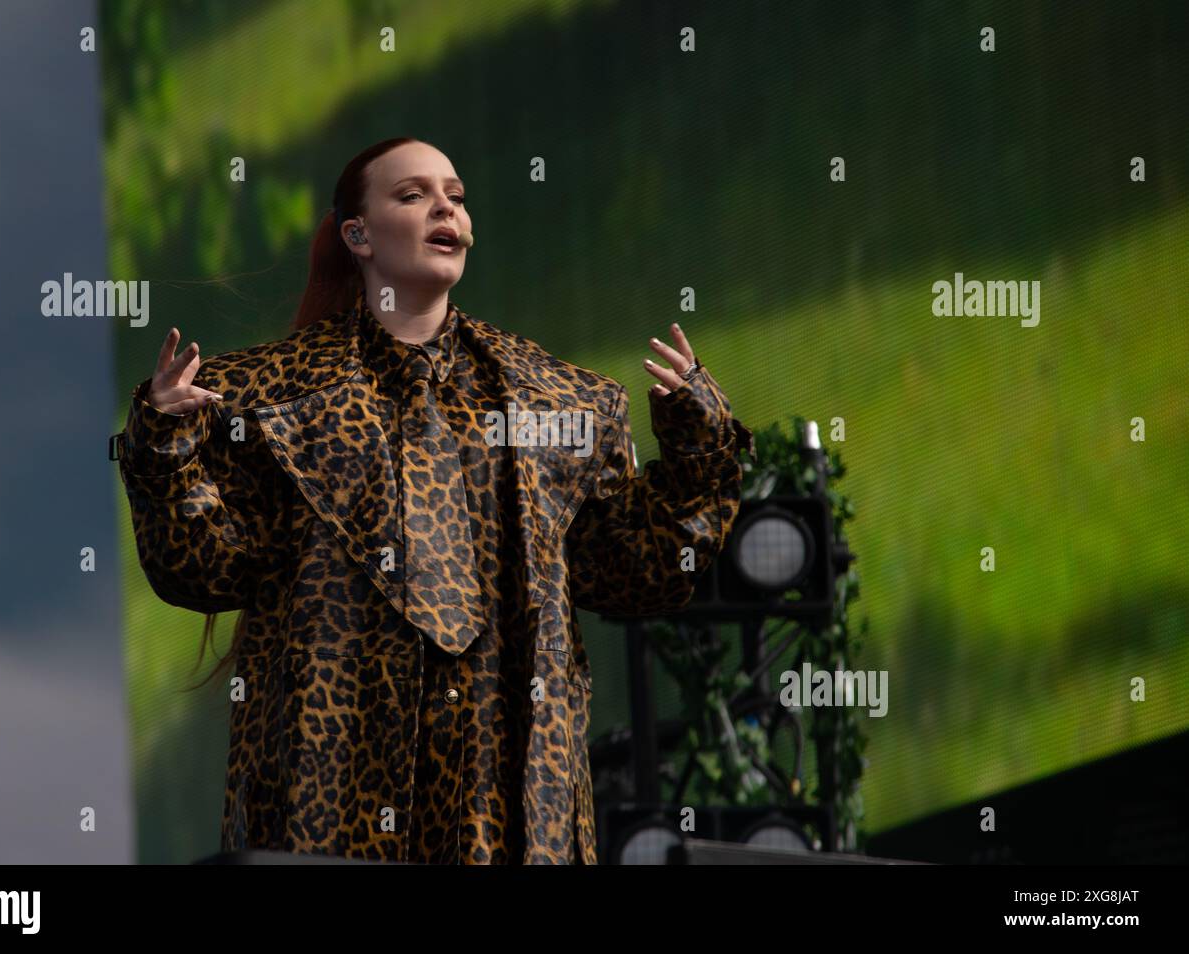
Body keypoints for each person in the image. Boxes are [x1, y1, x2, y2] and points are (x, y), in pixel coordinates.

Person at [116, 137, 753, 864]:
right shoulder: (263, 398)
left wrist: (698, 443)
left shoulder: (560, 403)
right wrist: (164, 442)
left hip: (508, 795)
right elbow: (200, 570)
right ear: (357, 235)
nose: (446, 207)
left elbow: (636, 573)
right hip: (332, 790)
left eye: (455, 194)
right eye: (413, 194)